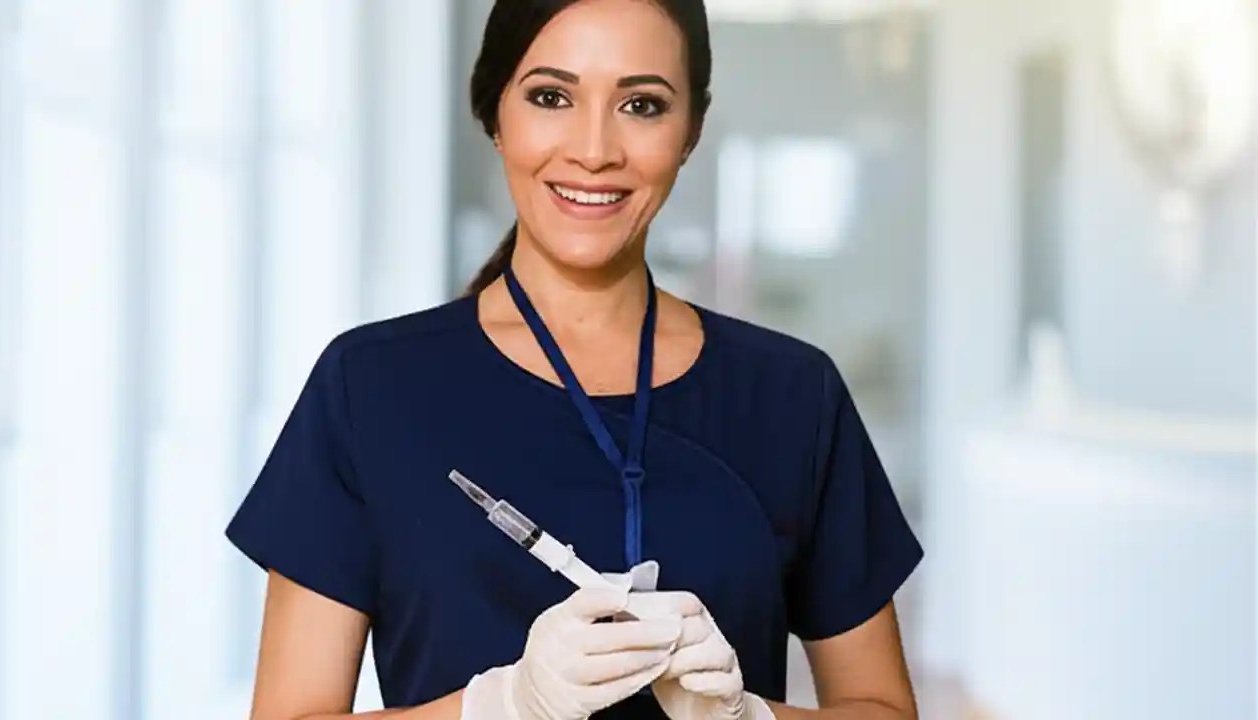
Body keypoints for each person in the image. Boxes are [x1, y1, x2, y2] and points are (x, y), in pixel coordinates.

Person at [224, 0, 925, 718]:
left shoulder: (790, 396)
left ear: (691, 132)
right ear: (494, 114)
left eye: (643, 104)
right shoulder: (369, 388)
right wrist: (498, 708)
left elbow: (881, 707)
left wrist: (748, 718)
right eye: (551, 96)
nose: (594, 150)